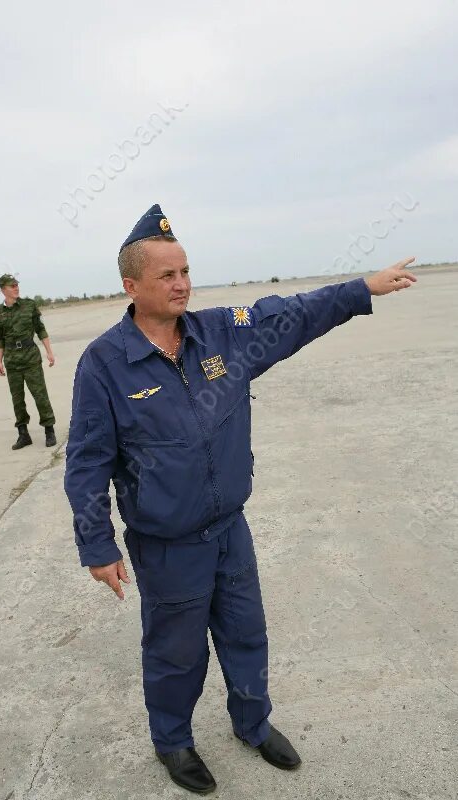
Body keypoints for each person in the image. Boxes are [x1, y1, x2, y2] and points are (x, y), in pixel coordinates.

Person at [64, 204, 416, 794]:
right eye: (166, 276)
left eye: (185, 271)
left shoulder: (222, 332)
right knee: (176, 655)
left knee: (246, 633)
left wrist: (361, 288)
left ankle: (253, 724)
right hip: (167, 544)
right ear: (131, 286)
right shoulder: (104, 364)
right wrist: (96, 545)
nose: (181, 284)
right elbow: (87, 463)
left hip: (230, 529)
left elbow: (295, 313)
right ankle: (173, 743)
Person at [0, 274, 57, 450]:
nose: (16, 288)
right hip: (12, 361)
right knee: (17, 400)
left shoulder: (29, 306)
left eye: (16, 285)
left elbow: (41, 330)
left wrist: (49, 352)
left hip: (30, 359)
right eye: (12, 286)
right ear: (3, 290)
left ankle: (49, 430)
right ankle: (23, 434)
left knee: (40, 395)